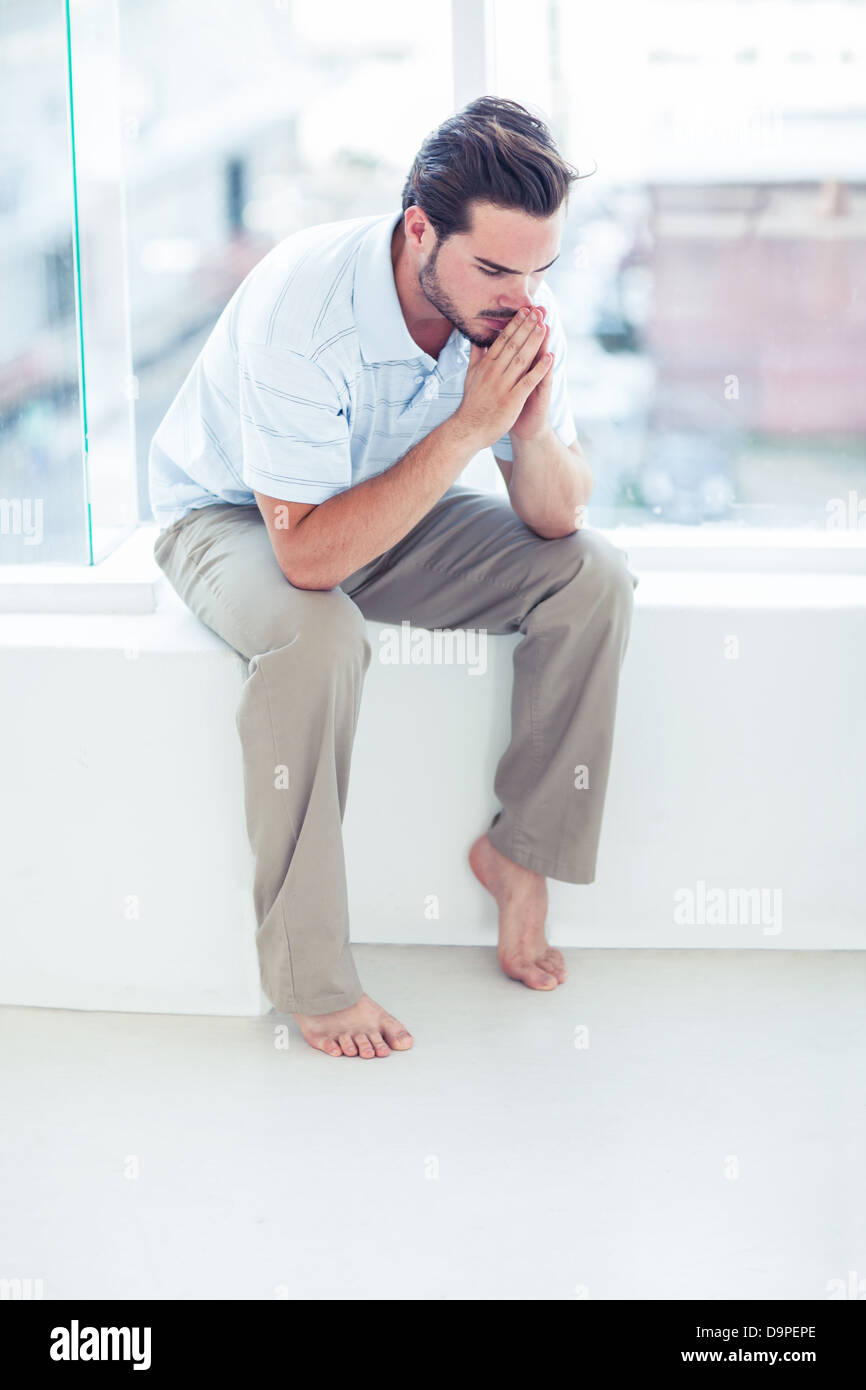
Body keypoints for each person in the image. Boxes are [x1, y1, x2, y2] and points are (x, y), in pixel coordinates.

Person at [148, 95, 638, 1060]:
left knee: (592, 578)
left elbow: (555, 516)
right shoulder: (306, 305)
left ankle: (520, 856)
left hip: (382, 508)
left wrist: (528, 422)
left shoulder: (514, 311)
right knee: (318, 631)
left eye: (537, 269)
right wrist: (465, 429)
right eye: (494, 267)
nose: (518, 295)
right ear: (419, 226)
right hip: (237, 517)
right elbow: (309, 560)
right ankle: (312, 976)